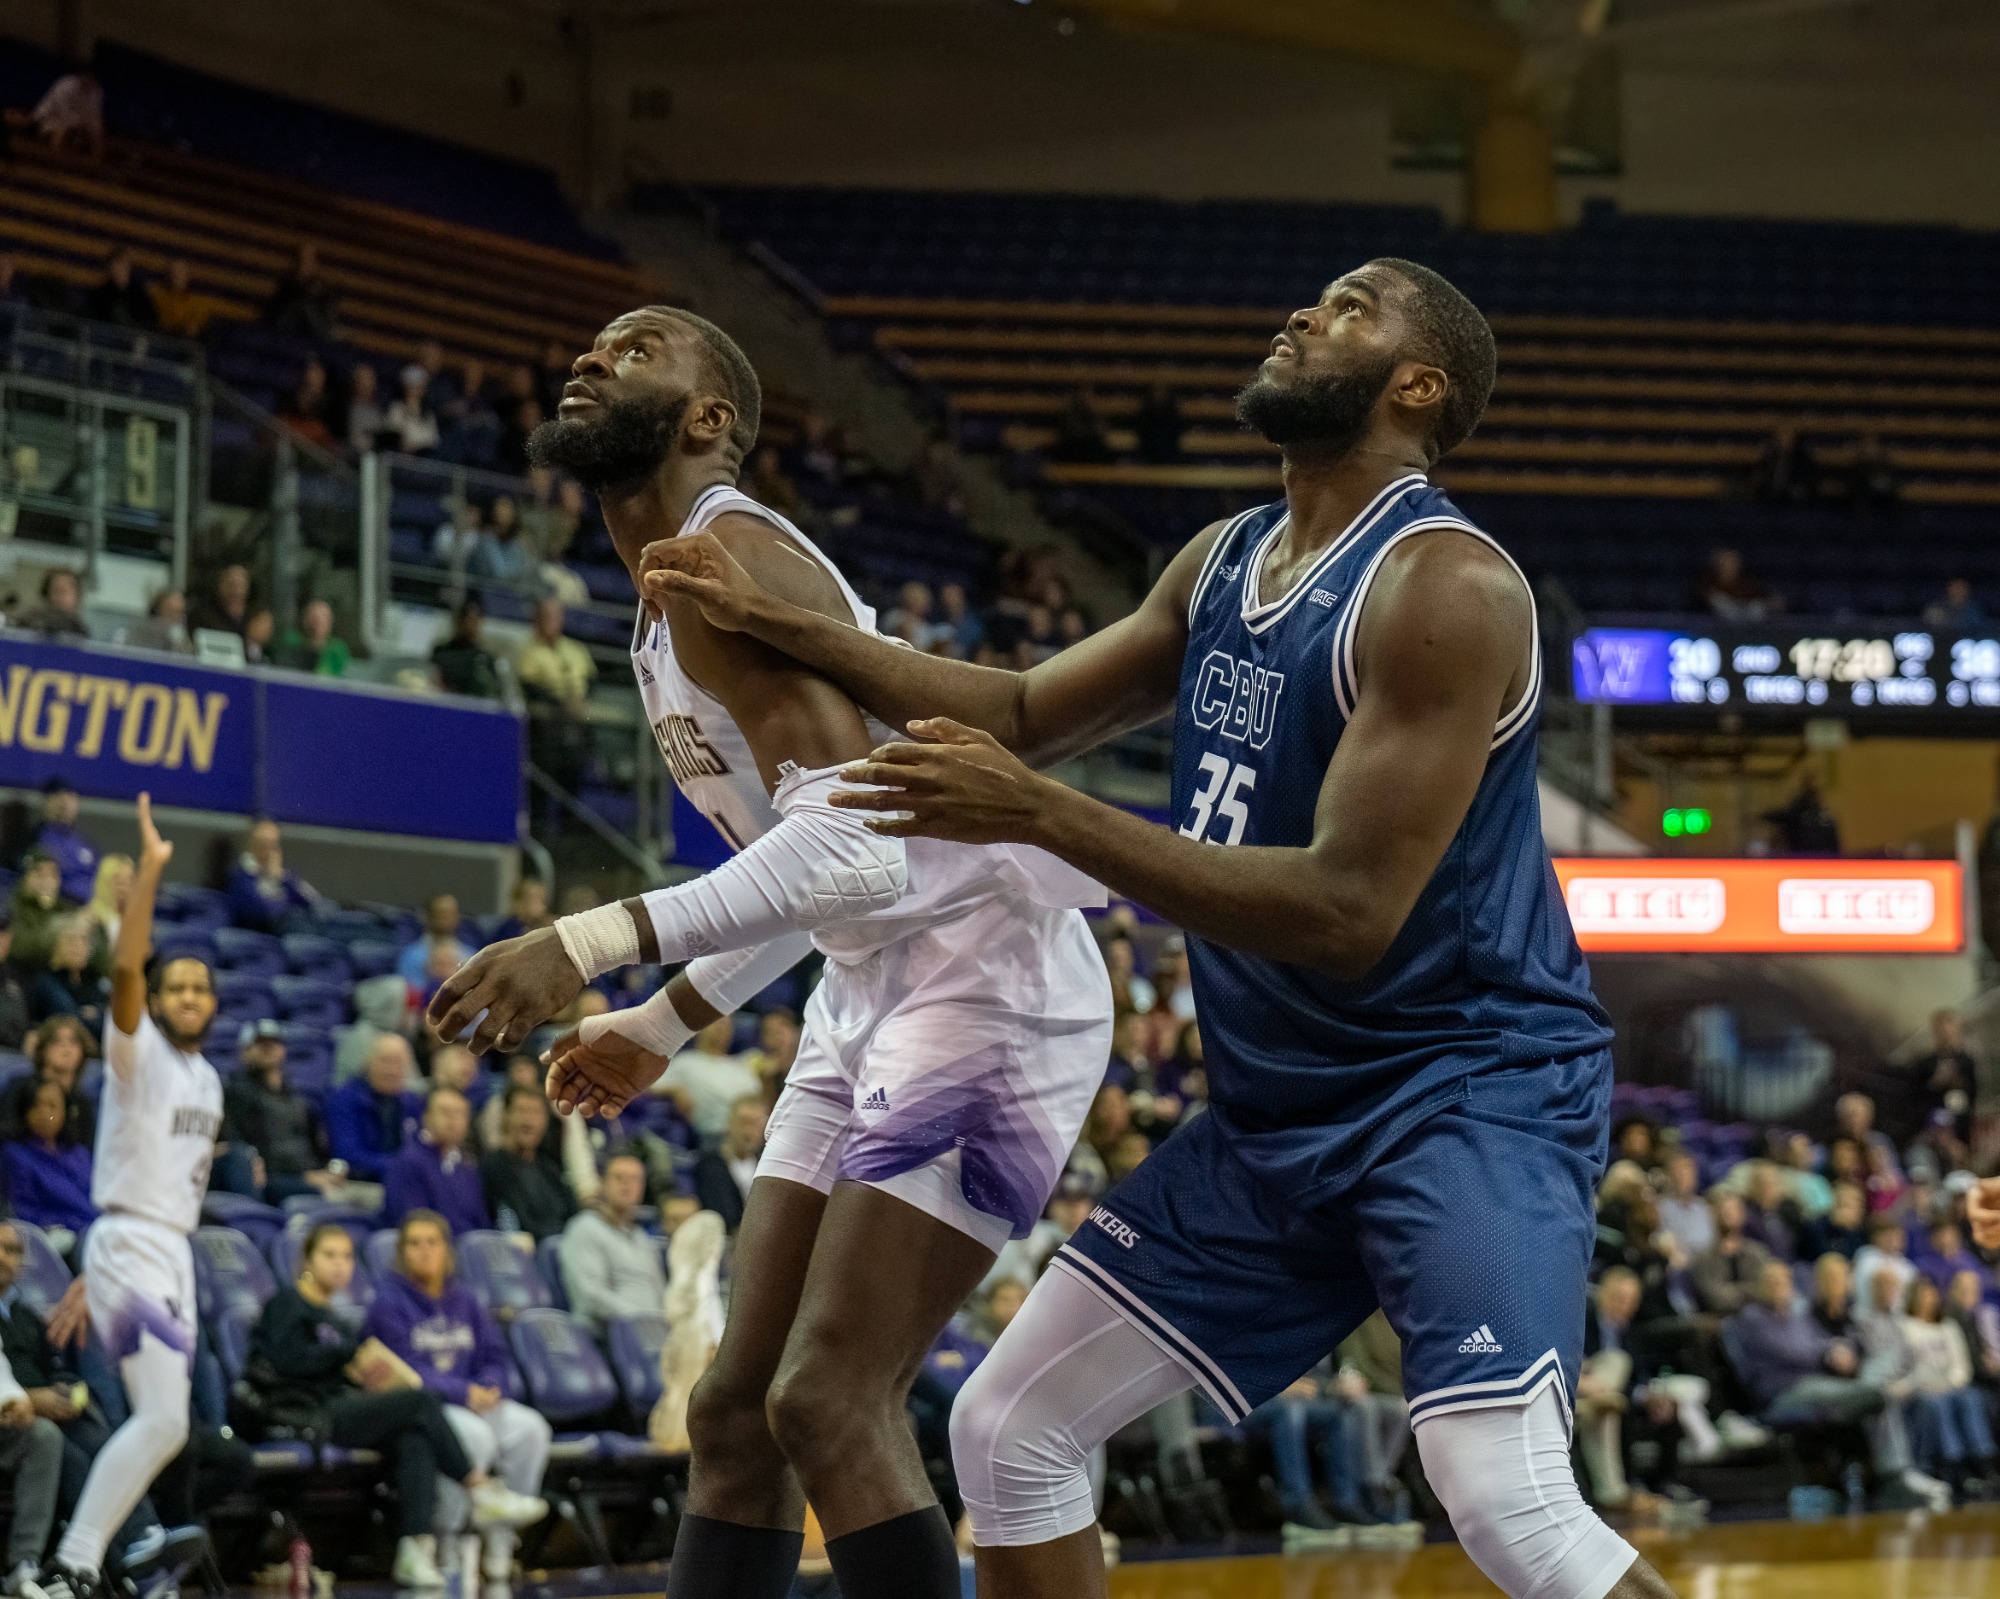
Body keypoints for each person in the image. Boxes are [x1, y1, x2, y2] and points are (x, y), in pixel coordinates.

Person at [600, 266, 1662, 1599]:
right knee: (1007, 1429)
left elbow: (1346, 912)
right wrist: (788, 622)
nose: (1303, 315)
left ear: (1417, 386)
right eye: (1314, 300)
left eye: (1351, 308)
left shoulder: (1443, 585)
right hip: (1279, 1115)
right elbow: (1024, 712)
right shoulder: (1222, 558)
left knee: (1507, 1497)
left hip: (1460, 1096)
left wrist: (1042, 814)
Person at [433, 303, 1113, 1599]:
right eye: (594, 344)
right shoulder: (664, 603)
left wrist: (592, 940)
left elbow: (858, 856)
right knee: (736, 1411)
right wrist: (664, 1020)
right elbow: (812, 871)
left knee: (828, 1398)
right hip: (874, 982)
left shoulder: (732, 552)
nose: (591, 356)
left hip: (990, 983)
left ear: (708, 420)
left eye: (637, 347)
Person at [29, 795, 225, 1599]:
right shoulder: (136, 1049)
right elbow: (124, 968)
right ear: (157, 996)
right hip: (131, 1240)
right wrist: (147, 874)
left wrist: (96, 1275)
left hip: (166, 1250)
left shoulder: (209, 1078)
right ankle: (74, 1562)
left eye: (200, 987)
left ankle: (86, 1559)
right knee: (160, 1418)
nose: (188, 996)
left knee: (170, 1423)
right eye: (175, 986)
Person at [248, 1223, 547, 1588]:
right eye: (329, 1255)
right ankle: (477, 1486)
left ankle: (413, 1549)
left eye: (347, 1257)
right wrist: (344, 1355)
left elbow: (337, 1368)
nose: (340, 1264)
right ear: (307, 1260)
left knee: (413, 1434)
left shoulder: (335, 1317)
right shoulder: (287, 1304)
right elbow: (284, 1361)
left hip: (340, 1404)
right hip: (304, 1411)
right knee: (419, 1401)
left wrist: (364, 1372)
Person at [362, 1212, 553, 1586]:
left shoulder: (466, 1299)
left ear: (447, 1250)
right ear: (401, 1252)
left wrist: (491, 1386)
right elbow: (407, 1369)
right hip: (431, 1406)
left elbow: (494, 1355)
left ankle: (501, 1537)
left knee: (531, 1429)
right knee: (474, 1438)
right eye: (414, 1243)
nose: (424, 1251)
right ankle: (447, 1539)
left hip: (476, 1399)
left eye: (432, 1242)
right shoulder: (387, 1302)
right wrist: (463, 1392)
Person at [1900, 1274, 1996, 1496]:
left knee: (1972, 1398)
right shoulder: (1905, 1327)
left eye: (1930, 1294)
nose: (1927, 1299)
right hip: (1923, 1388)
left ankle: (1983, 1461)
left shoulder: (1948, 1327)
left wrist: (1951, 1383)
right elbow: (1908, 1366)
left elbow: (1961, 1366)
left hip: (1950, 1386)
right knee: (1937, 1404)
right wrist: (1928, 1384)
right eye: (1922, 1295)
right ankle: (1953, 1464)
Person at [223, 1021, 334, 1203]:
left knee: (366, 1195)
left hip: (309, 1176)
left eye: (274, 1043)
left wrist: (325, 1171)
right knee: (338, 1198)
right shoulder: (237, 1094)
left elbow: (316, 1147)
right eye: (260, 1043)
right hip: (272, 1180)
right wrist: (304, 1177)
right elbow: (245, 1149)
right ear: (244, 1052)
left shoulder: (298, 1098)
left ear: (284, 1049)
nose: (268, 1049)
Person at [556, 1153, 664, 1329]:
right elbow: (590, 1295)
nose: (627, 1185)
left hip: (652, 1331)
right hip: (607, 1334)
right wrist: (640, 1321)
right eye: (619, 1177)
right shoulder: (585, 1228)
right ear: (602, 1183)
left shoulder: (641, 1237)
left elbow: (659, 1292)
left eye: (635, 1179)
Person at [1, 1077, 96, 1241]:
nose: (45, 1114)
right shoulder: (15, 1154)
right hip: (56, 1235)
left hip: (94, 1227)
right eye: (36, 1105)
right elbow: (25, 1212)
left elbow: (95, 1197)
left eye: (52, 1106)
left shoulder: (78, 1151)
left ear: (66, 1111)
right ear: (25, 1111)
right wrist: (71, 1224)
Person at [383, 1089, 487, 1235]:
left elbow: (482, 1223)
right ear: (426, 1117)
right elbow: (413, 1224)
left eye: (460, 1114)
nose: (453, 1120)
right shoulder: (408, 1162)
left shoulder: (467, 1167)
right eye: (445, 1112)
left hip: (470, 1244)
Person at [478, 1086, 573, 1241]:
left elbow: (574, 1213)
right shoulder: (495, 1165)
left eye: (536, 1112)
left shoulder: (549, 1167)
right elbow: (516, 1223)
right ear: (506, 1115)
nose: (528, 1121)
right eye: (521, 1111)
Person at [325, 1035, 424, 1182]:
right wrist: (402, 1167)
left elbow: (423, 1149)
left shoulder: (412, 1102)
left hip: (405, 1181)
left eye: (398, 1063)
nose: (392, 1071)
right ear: (369, 1063)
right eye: (385, 1061)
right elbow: (348, 1156)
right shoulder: (345, 1099)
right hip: (360, 1183)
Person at [656, 1018, 761, 1145]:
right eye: (717, 1022)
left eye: (727, 1025)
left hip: (753, 1134)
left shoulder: (741, 1065)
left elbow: (761, 1102)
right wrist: (674, 1091)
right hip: (713, 1137)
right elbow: (648, 1087)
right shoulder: (685, 1062)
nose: (721, 1028)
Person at [225, 819, 317, 934]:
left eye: (273, 846)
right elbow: (258, 912)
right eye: (263, 845)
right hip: (265, 932)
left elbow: (312, 901)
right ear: (251, 846)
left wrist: (282, 878)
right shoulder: (242, 876)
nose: (268, 852)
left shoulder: (285, 876)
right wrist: (284, 904)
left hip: (296, 927)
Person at [693, 1094, 766, 1233]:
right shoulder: (710, 1165)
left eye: (756, 1124)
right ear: (729, 1123)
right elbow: (720, 1215)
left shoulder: (766, 1166)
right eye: (744, 1122)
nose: (748, 1132)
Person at [28, 919, 107, 1037]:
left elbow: (109, 1021)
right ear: (55, 945)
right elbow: (72, 1022)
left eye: (84, 940)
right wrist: (93, 1014)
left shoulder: (92, 980)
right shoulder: (46, 982)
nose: (78, 947)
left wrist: (98, 1014)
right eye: (71, 940)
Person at [35, 782, 99, 910]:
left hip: (91, 908)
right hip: (60, 907)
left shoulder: (85, 841)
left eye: (70, 798)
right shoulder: (37, 837)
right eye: (58, 798)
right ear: (47, 802)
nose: (64, 804)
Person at [263, 243, 337, 345]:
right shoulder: (287, 282)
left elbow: (324, 313)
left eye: (309, 259)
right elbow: (278, 308)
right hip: (286, 328)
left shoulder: (322, 287)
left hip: (310, 333)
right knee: (302, 305)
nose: (305, 263)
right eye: (302, 259)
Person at [431, 599, 502, 699]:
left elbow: (494, 690)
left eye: (476, 621)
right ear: (458, 621)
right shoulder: (442, 652)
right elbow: (434, 681)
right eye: (468, 619)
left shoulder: (485, 658)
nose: (472, 625)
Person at [400, 897, 471, 988]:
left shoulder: (469, 955)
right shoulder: (411, 956)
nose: (445, 917)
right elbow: (412, 992)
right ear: (428, 916)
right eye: (441, 913)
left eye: (450, 913)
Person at [32, 69, 103, 158]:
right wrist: (79, 124)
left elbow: (94, 116)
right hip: (49, 118)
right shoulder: (65, 85)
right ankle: (53, 157)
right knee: (63, 128)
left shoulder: (96, 92)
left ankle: (96, 160)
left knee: (96, 130)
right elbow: (62, 113)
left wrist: (90, 127)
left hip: (77, 124)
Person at [271, 599, 351, 677]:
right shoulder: (290, 641)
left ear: (331, 622)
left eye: (323, 618)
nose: (318, 623)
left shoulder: (338, 649)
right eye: (313, 618)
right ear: (304, 619)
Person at [84, 251, 154, 332]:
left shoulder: (139, 294)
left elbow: (149, 320)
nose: (121, 270)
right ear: (111, 269)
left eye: (124, 266)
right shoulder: (101, 294)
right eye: (117, 266)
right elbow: (95, 319)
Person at [15, 572, 90, 640]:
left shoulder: (79, 629)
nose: (59, 595)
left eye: (63, 590)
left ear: (77, 595)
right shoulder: (29, 619)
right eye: (55, 590)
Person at [188, 566, 251, 640]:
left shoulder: (251, 617)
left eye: (241, 586)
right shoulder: (204, 615)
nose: (236, 591)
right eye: (232, 585)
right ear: (221, 586)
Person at [123, 591, 192, 656]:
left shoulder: (180, 636)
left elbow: (185, 658)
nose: (178, 618)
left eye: (181, 612)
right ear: (159, 611)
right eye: (173, 612)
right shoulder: (142, 631)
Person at [346, 364, 389, 455]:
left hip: (376, 454)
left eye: (370, 380)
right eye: (363, 380)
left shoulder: (377, 410)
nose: (367, 385)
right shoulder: (346, 409)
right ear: (355, 382)